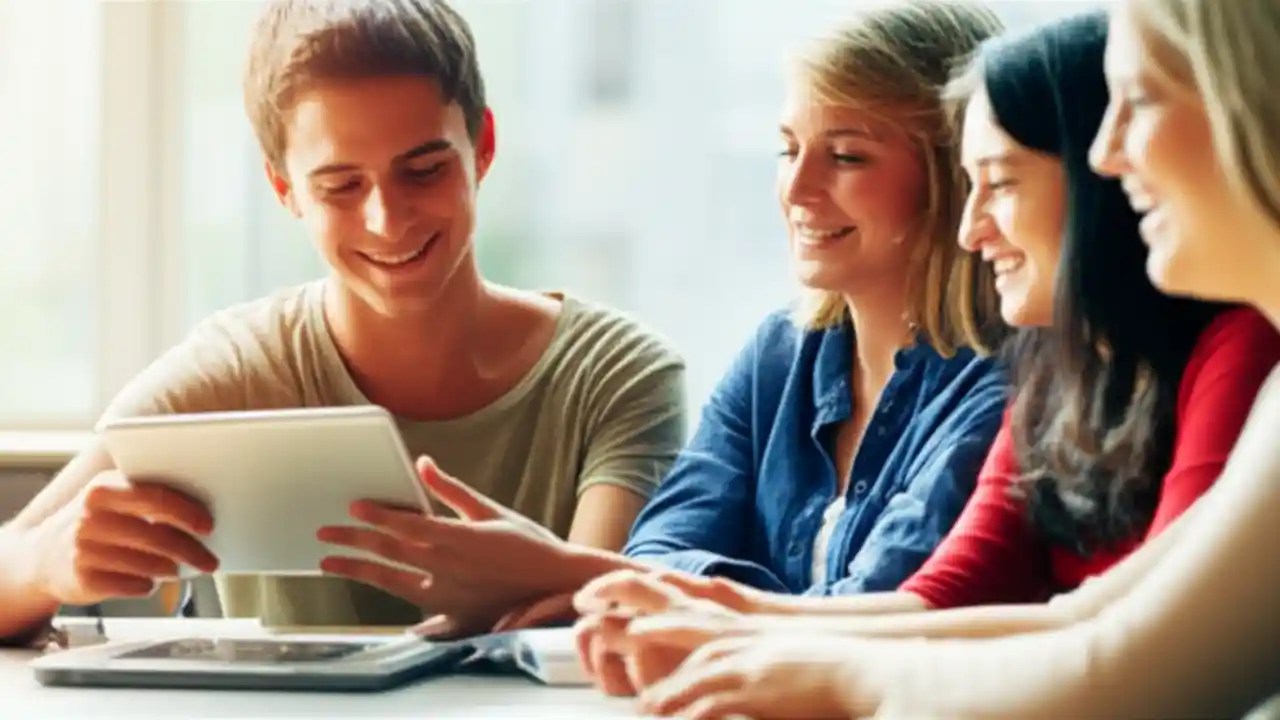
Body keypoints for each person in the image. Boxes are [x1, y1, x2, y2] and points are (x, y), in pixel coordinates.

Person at [587, 1, 1280, 716]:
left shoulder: (1239, 354)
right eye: (786, 149)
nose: (1108, 154)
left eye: (1140, 101)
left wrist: (821, 673)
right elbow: (1066, 618)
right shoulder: (1057, 366)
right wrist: (731, 620)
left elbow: (1131, 668)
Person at [301, 0, 1012, 642]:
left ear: (958, 176)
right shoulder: (777, 355)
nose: (796, 188)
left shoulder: (1004, 382)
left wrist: (579, 576)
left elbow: (879, 610)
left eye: (847, 156)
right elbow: (657, 552)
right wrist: (645, 586)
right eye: (787, 149)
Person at [0, 0, 687, 643]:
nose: (388, 220)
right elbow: (15, 562)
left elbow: (612, 621)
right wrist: (40, 565)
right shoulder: (242, 366)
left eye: (423, 170)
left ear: (483, 145)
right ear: (284, 189)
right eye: (340, 186)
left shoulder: (616, 375)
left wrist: (538, 579)